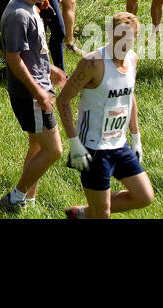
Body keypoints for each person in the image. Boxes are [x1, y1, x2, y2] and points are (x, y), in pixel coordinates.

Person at [59, 11, 154, 219]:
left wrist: (136, 137)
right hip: (93, 148)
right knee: (102, 214)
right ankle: (93, 211)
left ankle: (84, 213)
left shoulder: (133, 60)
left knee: (144, 196)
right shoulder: (93, 63)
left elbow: (129, 96)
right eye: (120, 37)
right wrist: (74, 143)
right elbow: (63, 100)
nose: (124, 43)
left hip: (119, 144)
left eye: (130, 38)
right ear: (111, 34)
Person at [0, 0, 67, 213]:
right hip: (31, 94)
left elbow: (33, 53)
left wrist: (51, 70)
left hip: (38, 87)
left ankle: (28, 200)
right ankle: (15, 197)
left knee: (37, 147)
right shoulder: (19, 15)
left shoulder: (29, 8)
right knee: (54, 150)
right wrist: (38, 91)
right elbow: (13, 58)